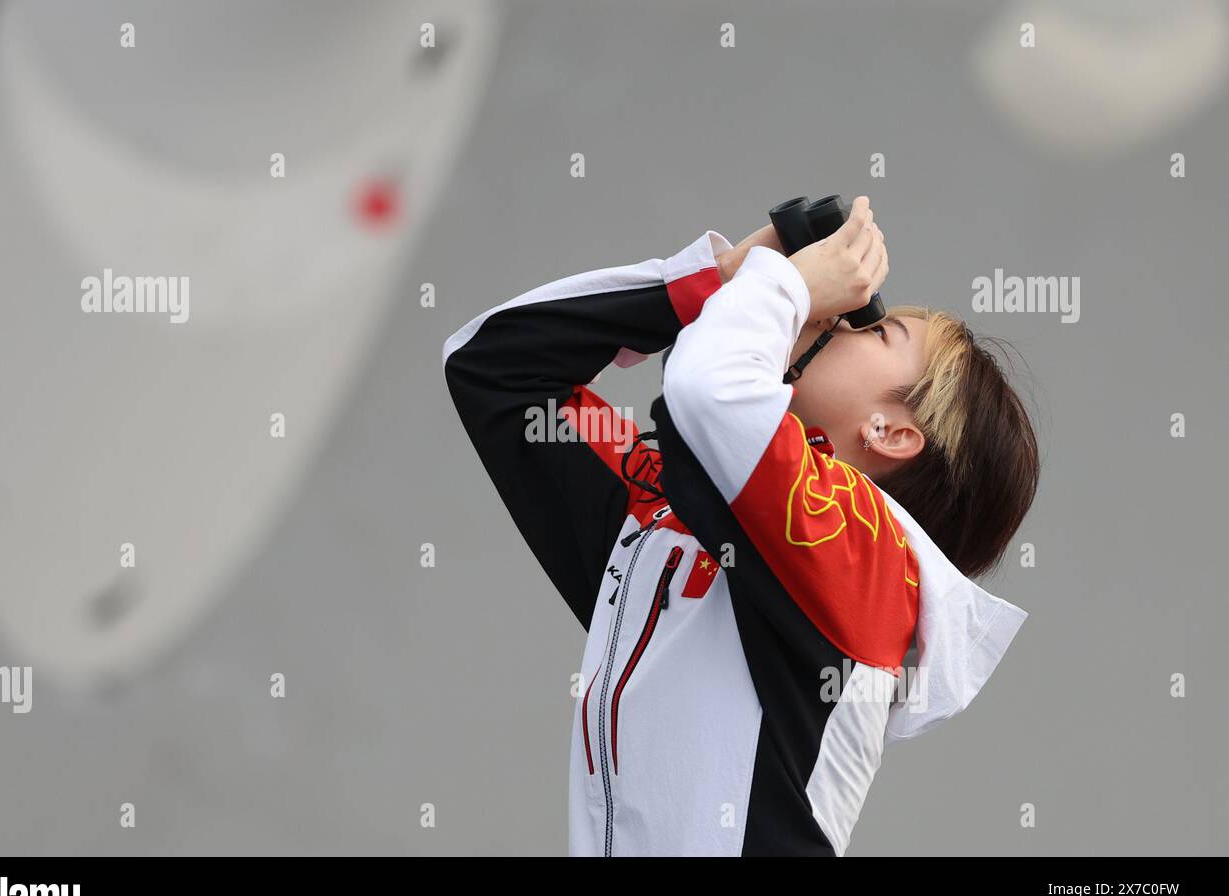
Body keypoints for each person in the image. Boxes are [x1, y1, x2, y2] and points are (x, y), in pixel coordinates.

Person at [441, 196, 1039, 856]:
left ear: (891, 432)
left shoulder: (874, 565)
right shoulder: (668, 519)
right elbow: (497, 366)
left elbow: (709, 391)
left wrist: (782, 286)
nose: (836, 321)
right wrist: (720, 280)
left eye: (875, 331)